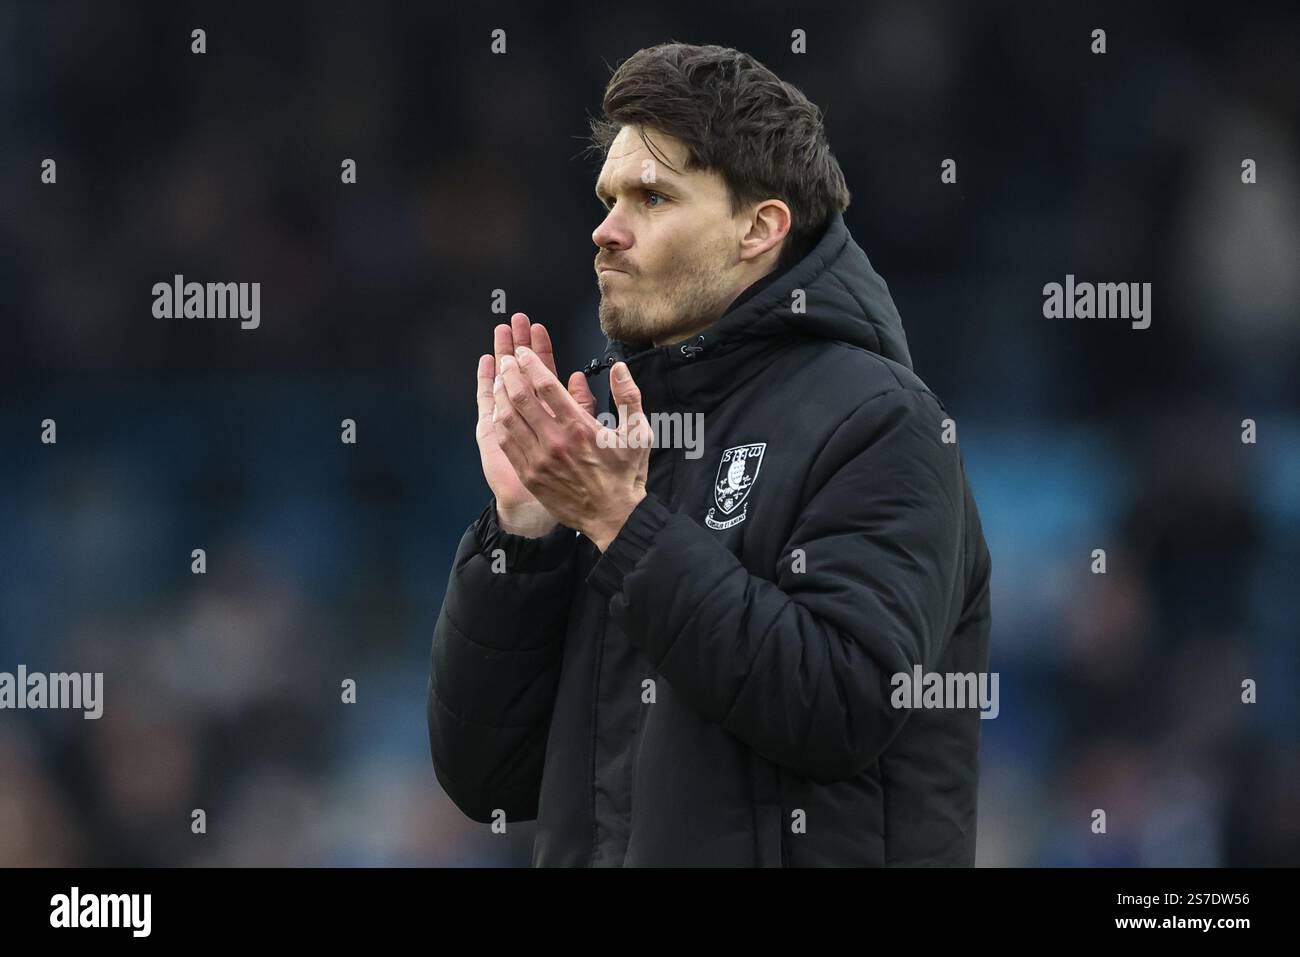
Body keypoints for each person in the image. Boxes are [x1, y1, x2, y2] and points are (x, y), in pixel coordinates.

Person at [428, 42, 992, 866]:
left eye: (651, 197)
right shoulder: (607, 437)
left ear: (760, 227)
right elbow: (489, 781)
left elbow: (844, 704)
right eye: (608, 196)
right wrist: (524, 535)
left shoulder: (881, 423)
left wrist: (623, 524)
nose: (606, 229)